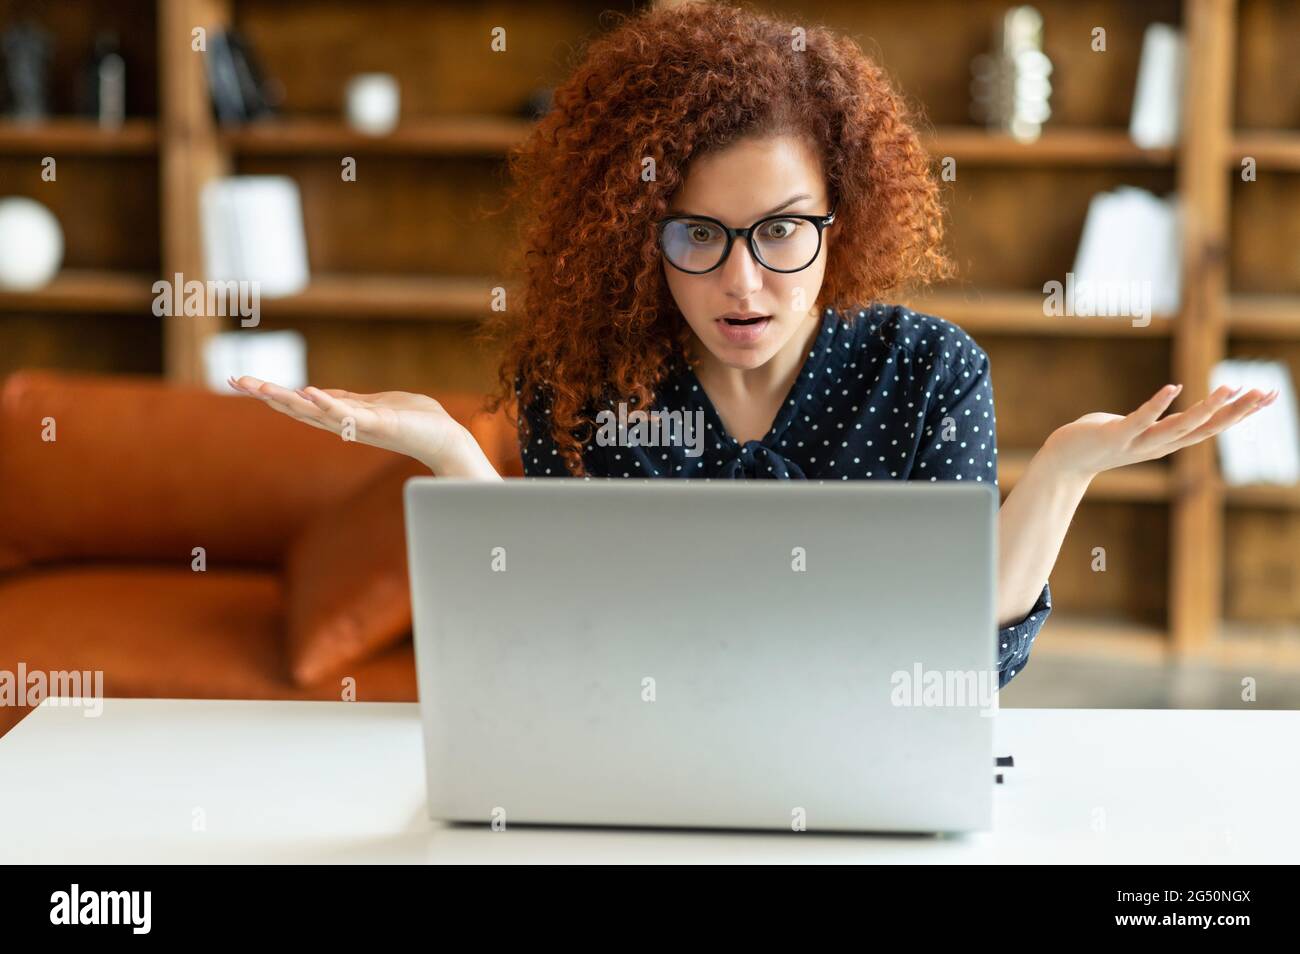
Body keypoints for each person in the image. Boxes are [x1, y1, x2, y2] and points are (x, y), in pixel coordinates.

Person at [230, 2, 1275, 686]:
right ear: (640, 238)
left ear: (843, 220)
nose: (742, 281)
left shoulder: (925, 373)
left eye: (780, 230)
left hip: (868, 761)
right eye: (697, 234)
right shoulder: (584, 385)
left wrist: (1063, 470)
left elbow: (962, 647)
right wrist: (453, 454)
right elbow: (560, 638)